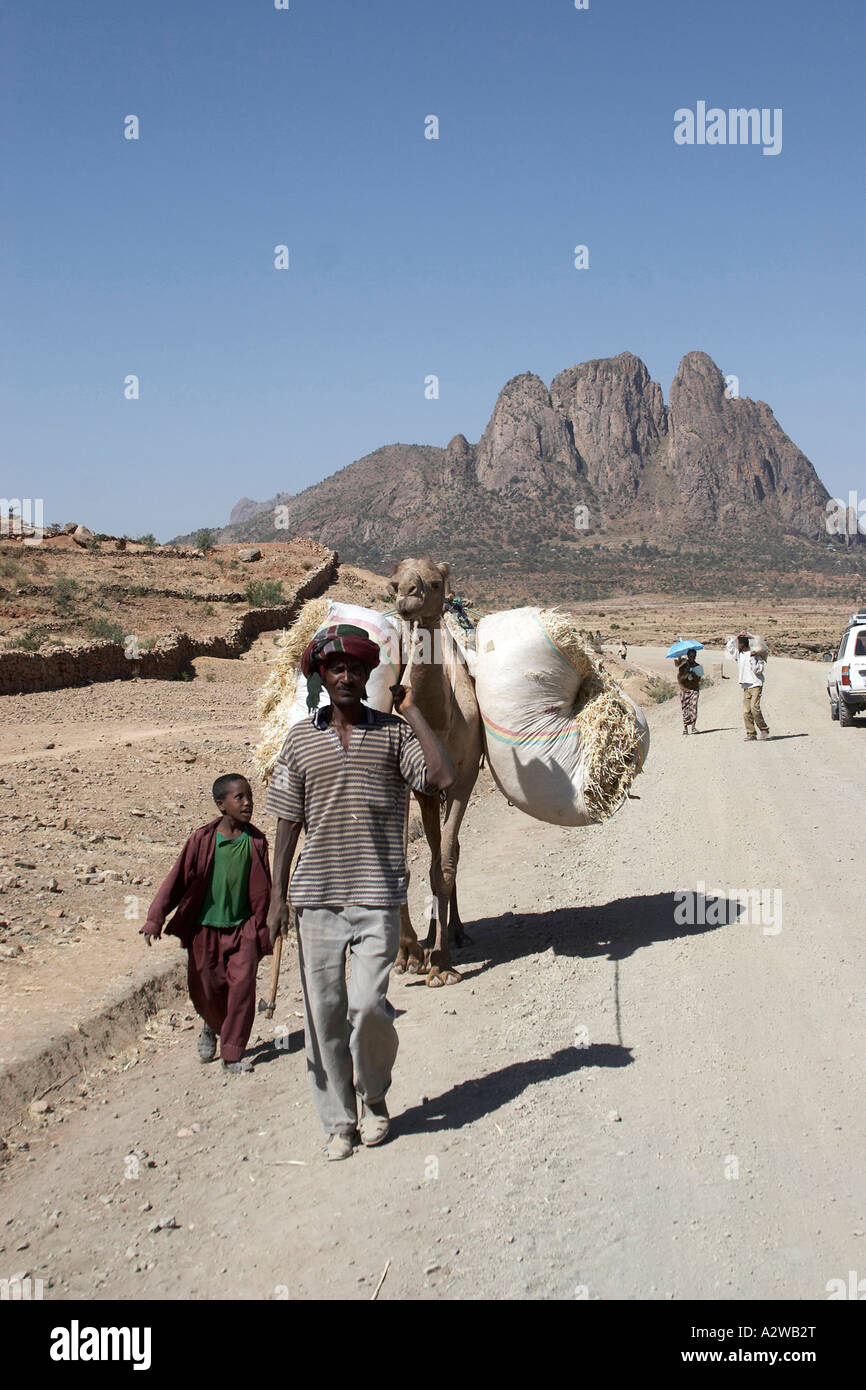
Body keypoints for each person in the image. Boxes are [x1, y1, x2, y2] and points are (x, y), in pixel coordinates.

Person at [265, 624, 455, 1161]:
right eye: (336, 668)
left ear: (370, 674)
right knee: (324, 1013)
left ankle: (374, 1100)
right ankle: (339, 1121)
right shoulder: (301, 739)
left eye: (355, 667)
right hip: (316, 897)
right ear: (322, 676)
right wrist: (278, 897)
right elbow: (285, 821)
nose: (346, 676)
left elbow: (441, 776)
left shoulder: (394, 735)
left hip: (378, 895)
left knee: (369, 1006)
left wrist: (412, 711)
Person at [142, 775, 272, 1073]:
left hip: (244, 929)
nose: (247, 802)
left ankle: (232, 1054)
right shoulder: (202, 840)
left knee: (242, 989)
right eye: (239, 797)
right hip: (205, 929)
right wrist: (155, 918)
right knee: (208, 987)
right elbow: (177, 879)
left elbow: (266, 888)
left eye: (249, 796)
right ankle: (211, 1024)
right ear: (221, 805)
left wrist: (271, 922)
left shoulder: (257, 841)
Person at [725, 632, 770, 741]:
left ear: (743, 644)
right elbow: (729, 646)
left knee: (755, 709)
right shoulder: (739, 655)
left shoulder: (756, 655)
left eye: (739, 644)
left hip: (755, 684)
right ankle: (751, 733)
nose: (737, 646)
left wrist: (753, 659)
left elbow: (759, 670)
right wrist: (737, 636)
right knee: (746, 711)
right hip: (745, 685)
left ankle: (764, 729)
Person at [675, 648, 702, 734]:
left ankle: (693, 727)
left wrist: (693, 674)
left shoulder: (698, 666)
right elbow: (680, 679)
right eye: (690, 656)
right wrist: (686, 673)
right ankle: (685, 728)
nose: (692, 658)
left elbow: (698, 679)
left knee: (693, 707)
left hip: (694, 689)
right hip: (684, 689)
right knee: (685, 708)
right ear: (687, 656)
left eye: (694, 656)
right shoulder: (682, 667)